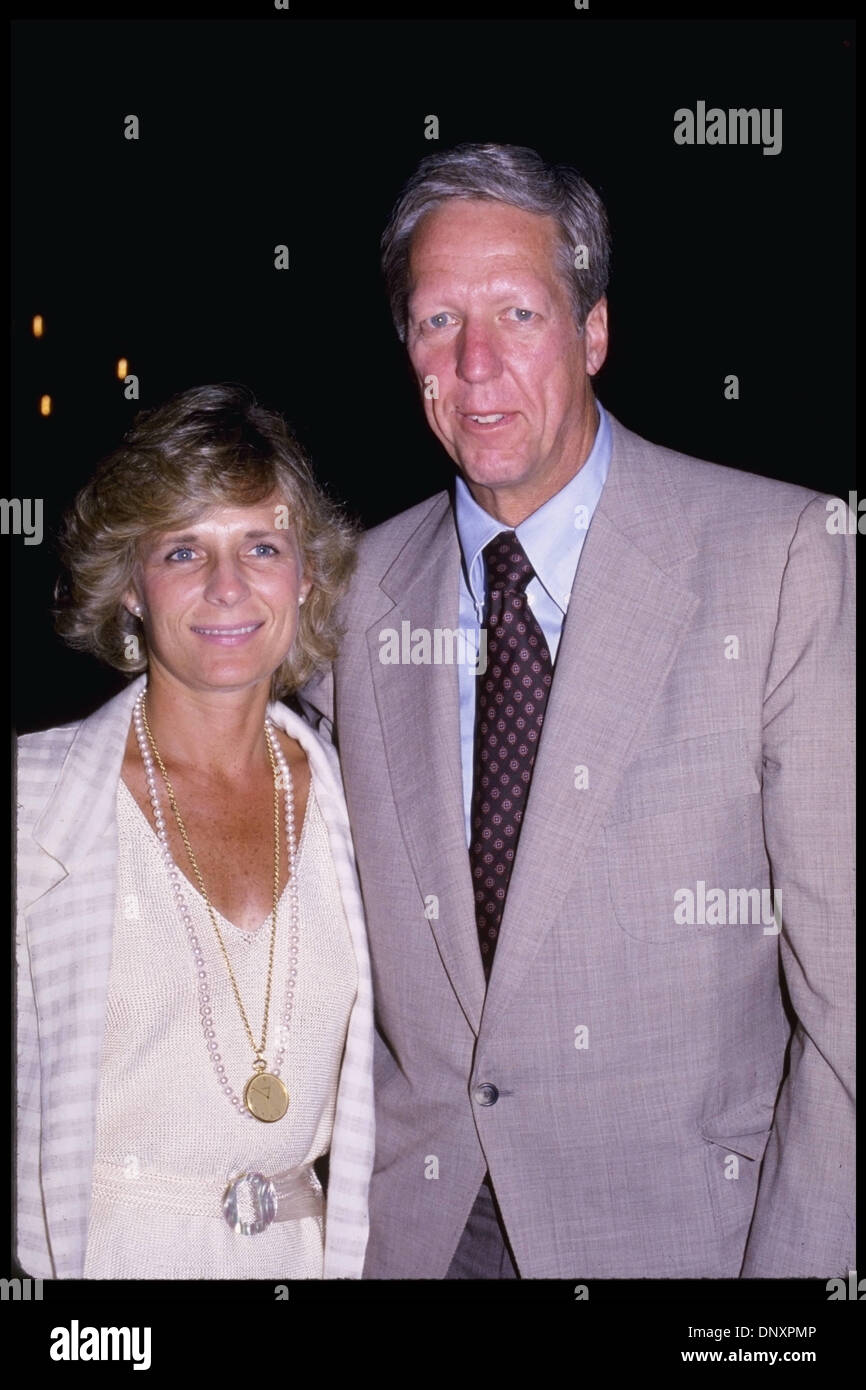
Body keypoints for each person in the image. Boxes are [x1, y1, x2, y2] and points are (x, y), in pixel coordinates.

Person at [300, 143, 855, 1279]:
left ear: (593, 331)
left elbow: (846, 1001)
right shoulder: (349, 594)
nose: (477, 365)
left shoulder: (777, 556)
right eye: (436, 322)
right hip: (411, 1242)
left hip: (684, 1248)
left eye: (517, 311)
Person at [16, 383, 375, 1280]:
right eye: (184, 550)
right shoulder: (33, 803)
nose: (227, 587)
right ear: (132, 586)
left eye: (261, 545)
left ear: (305, 575)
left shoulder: (356, 801)